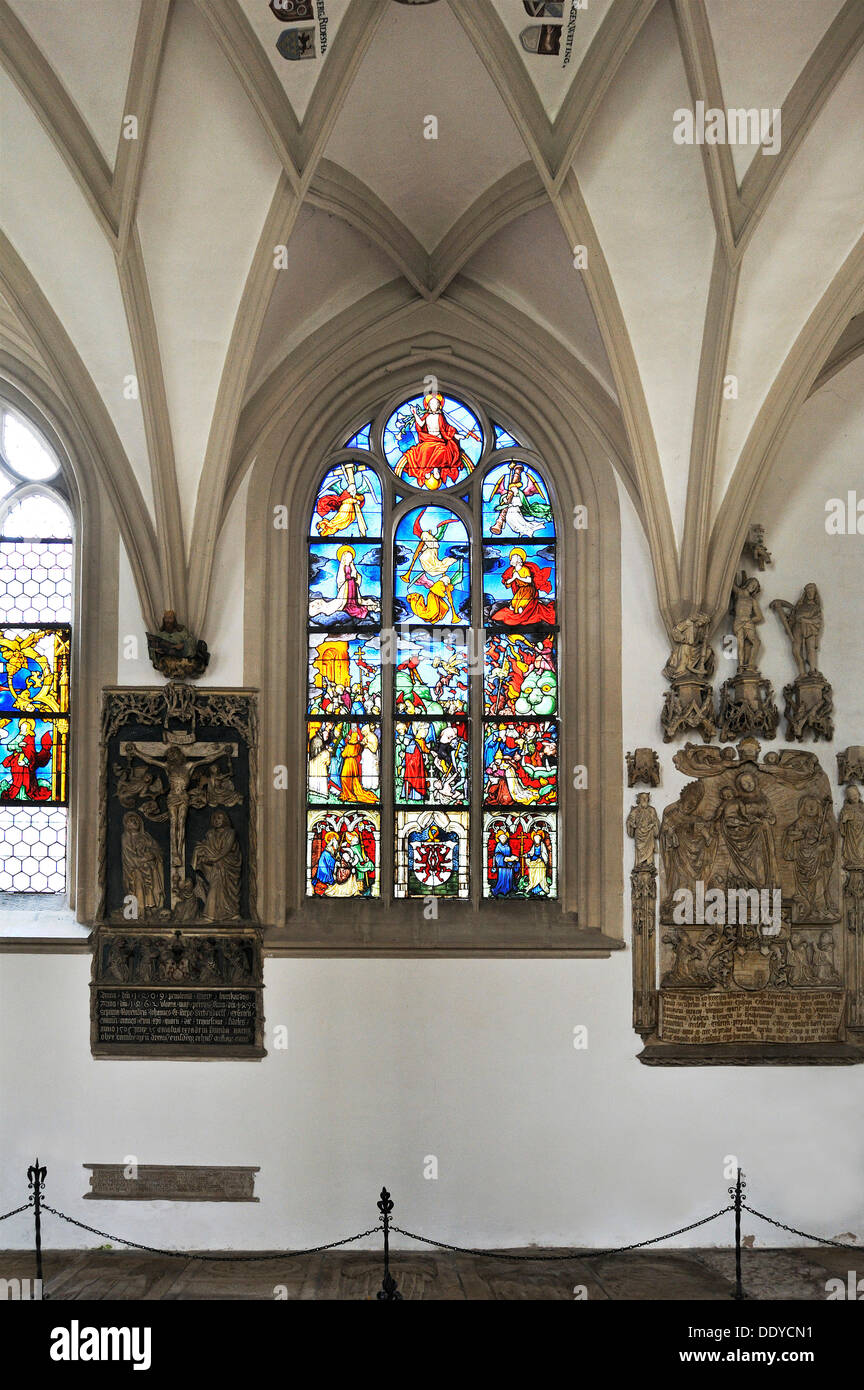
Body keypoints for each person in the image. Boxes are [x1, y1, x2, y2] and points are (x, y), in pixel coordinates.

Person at [192, 810, 242, 921]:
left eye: (219, 818)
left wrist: (215, 858)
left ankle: (227, 913)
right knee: (215, 884)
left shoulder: (230, 832)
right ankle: (212, 914)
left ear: (224, 819)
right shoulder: (210, 834)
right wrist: (205, 856)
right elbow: (208, 850)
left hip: (228, 865)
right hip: (216, 866)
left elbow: (226, 850)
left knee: (223, 888)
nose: (217, 820)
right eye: (214, 818)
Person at [491, 548, 555, 625]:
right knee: (513, 604)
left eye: (514, 558)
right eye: (512, 558)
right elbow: (507, 584)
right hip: (520, 591)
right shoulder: (512, 571)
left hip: (528, 590)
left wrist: (519, 577)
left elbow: (529, 580)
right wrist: (513, 578)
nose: (512, 560)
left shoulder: (525, 569)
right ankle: (518, 611)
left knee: (523, 604)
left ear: (520, 560)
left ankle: (523, 613)